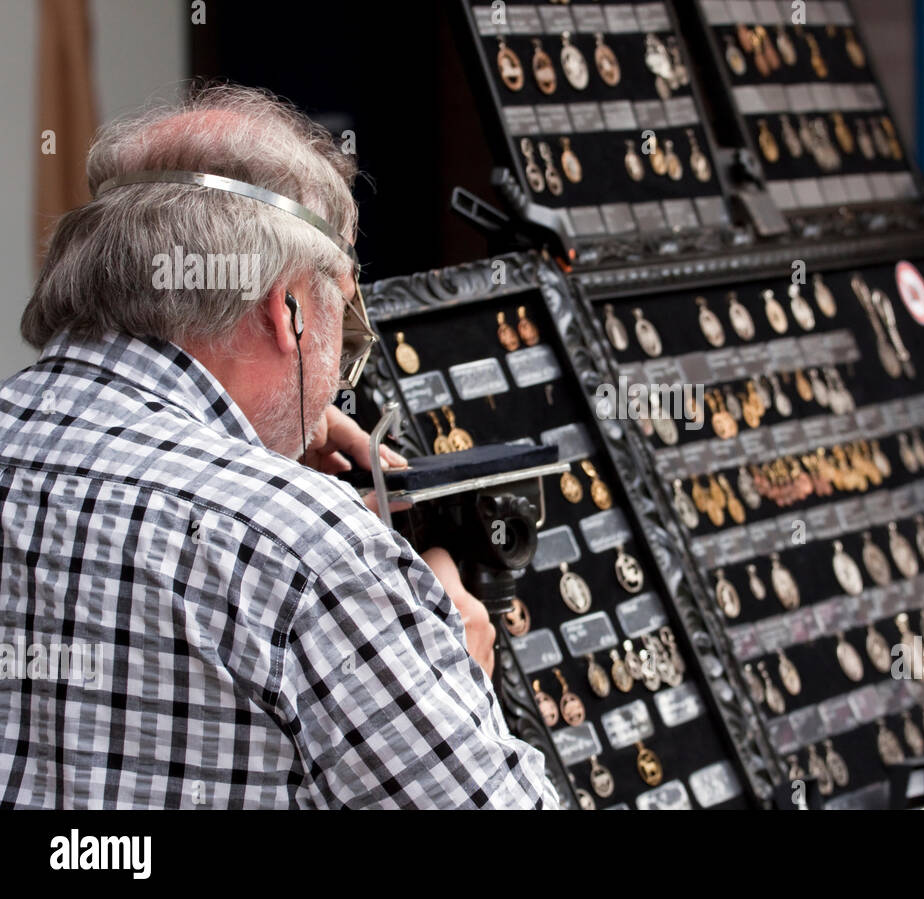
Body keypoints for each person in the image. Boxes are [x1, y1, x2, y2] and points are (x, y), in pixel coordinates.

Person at [0, 85, 557, 809]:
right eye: (341, 311)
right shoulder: (307, 543)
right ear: (288, 308)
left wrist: (252, 435)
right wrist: (460, 675)